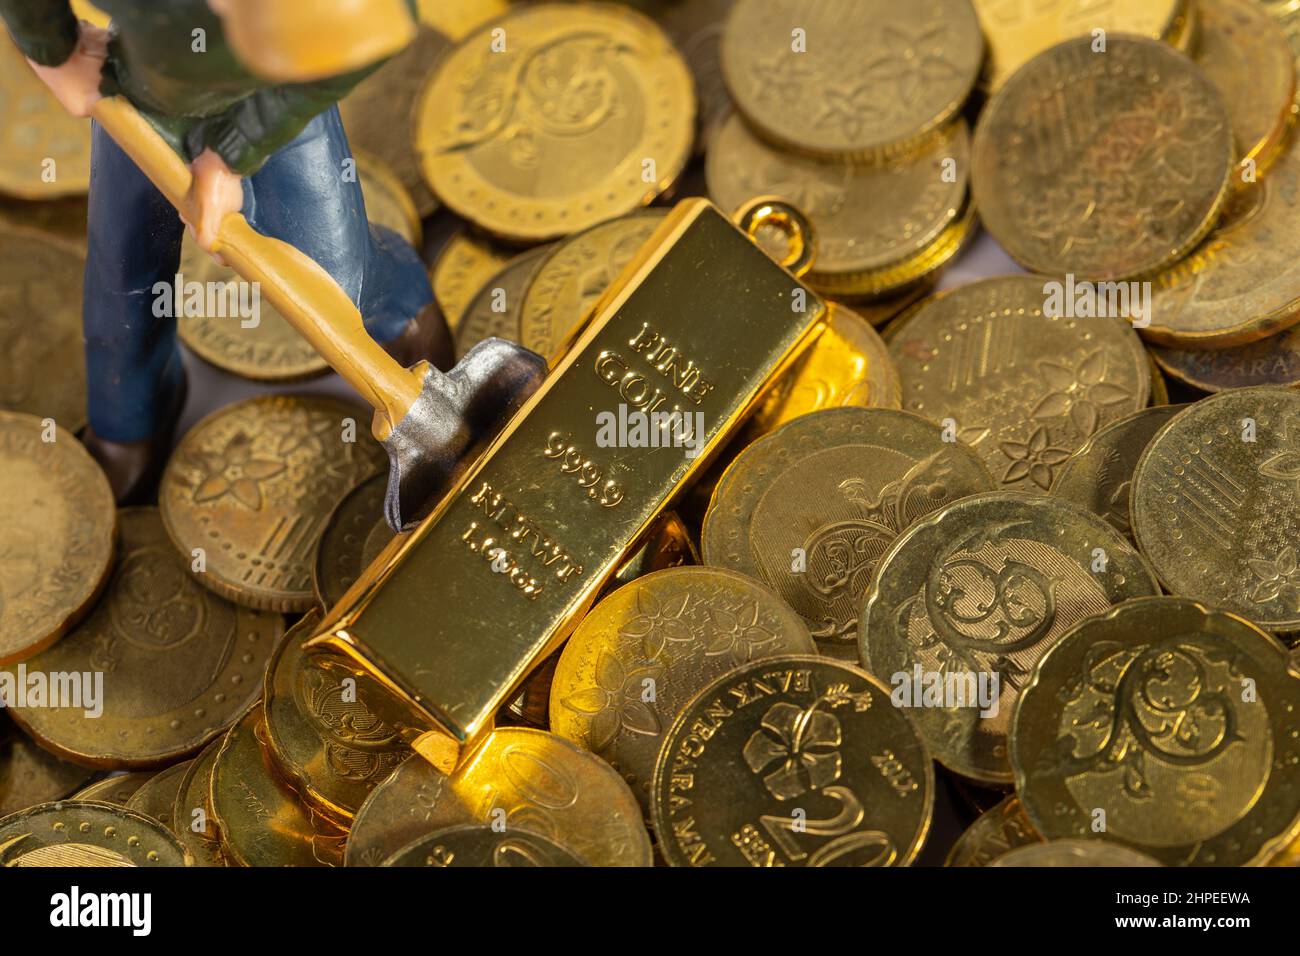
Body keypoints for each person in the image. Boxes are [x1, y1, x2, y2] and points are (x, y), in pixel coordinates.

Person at [0, 0, 452, 500]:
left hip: (277, 107)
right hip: (138, 97)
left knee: (337, 277)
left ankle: (401, 306)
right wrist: (52, 49)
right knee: (121, 283)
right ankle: (130, 419)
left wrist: (230, 155)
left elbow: (354, 47)